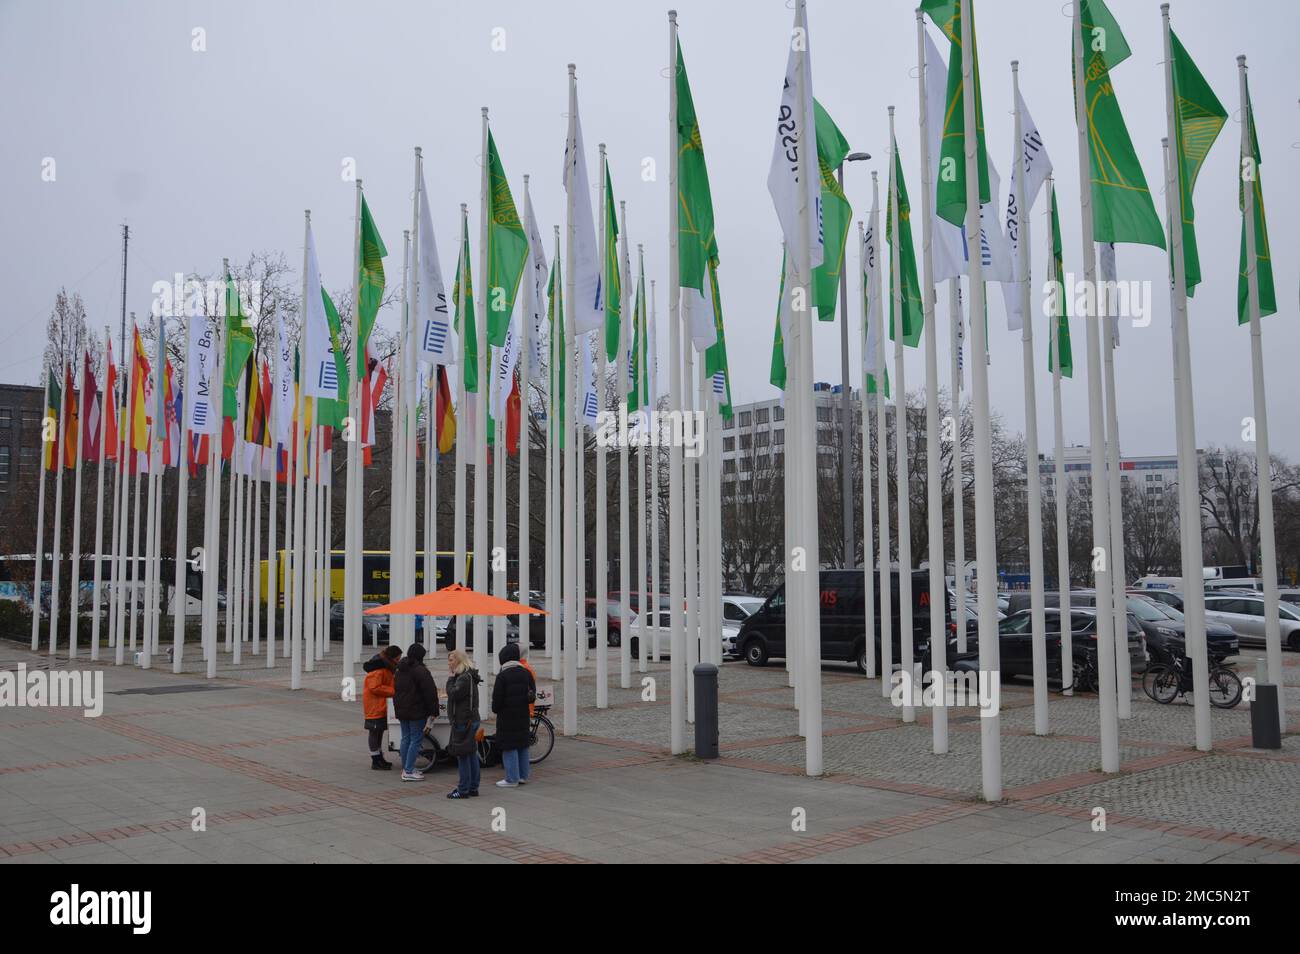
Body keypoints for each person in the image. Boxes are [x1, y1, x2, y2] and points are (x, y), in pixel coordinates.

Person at [392, 642, 440, 781]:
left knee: (405, 738)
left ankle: (406, 767)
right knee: (415, 739)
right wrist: (434, 711)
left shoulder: (400, 669)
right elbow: (430, 693)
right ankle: (408, 771)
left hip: (402, 711)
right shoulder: (421, 671)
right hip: (416, 710)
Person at [492, 641, 536, 788]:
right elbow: (532, 694)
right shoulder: (525, 672)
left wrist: (496, 709)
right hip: (523, 715)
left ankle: (512, 779)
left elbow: (497, 701)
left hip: (507, 717)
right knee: (522, 745)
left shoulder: (502, 675)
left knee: (509, 746)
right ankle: (523, 776)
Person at [445, 649, 482, 799]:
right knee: (471, 753)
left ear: (459, 661)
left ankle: (463, 789)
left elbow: (453, 694)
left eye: (451, 660)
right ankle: (473, 787)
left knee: (463, 755)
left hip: (464, 721)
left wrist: (450, 679)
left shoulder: (463, 678)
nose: (449, 663)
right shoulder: (468, 675)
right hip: (470, 719)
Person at [362, 645, 402, 770]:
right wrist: (393, 691)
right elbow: (374, 687)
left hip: (380, 705)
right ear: (391, 658)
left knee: (378, 731)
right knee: (374, 732)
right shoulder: (379, 669)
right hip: (375, 706)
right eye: (397, 659)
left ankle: (379, 758)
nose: (398, 661)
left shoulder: (385, 666)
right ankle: (376, 760)